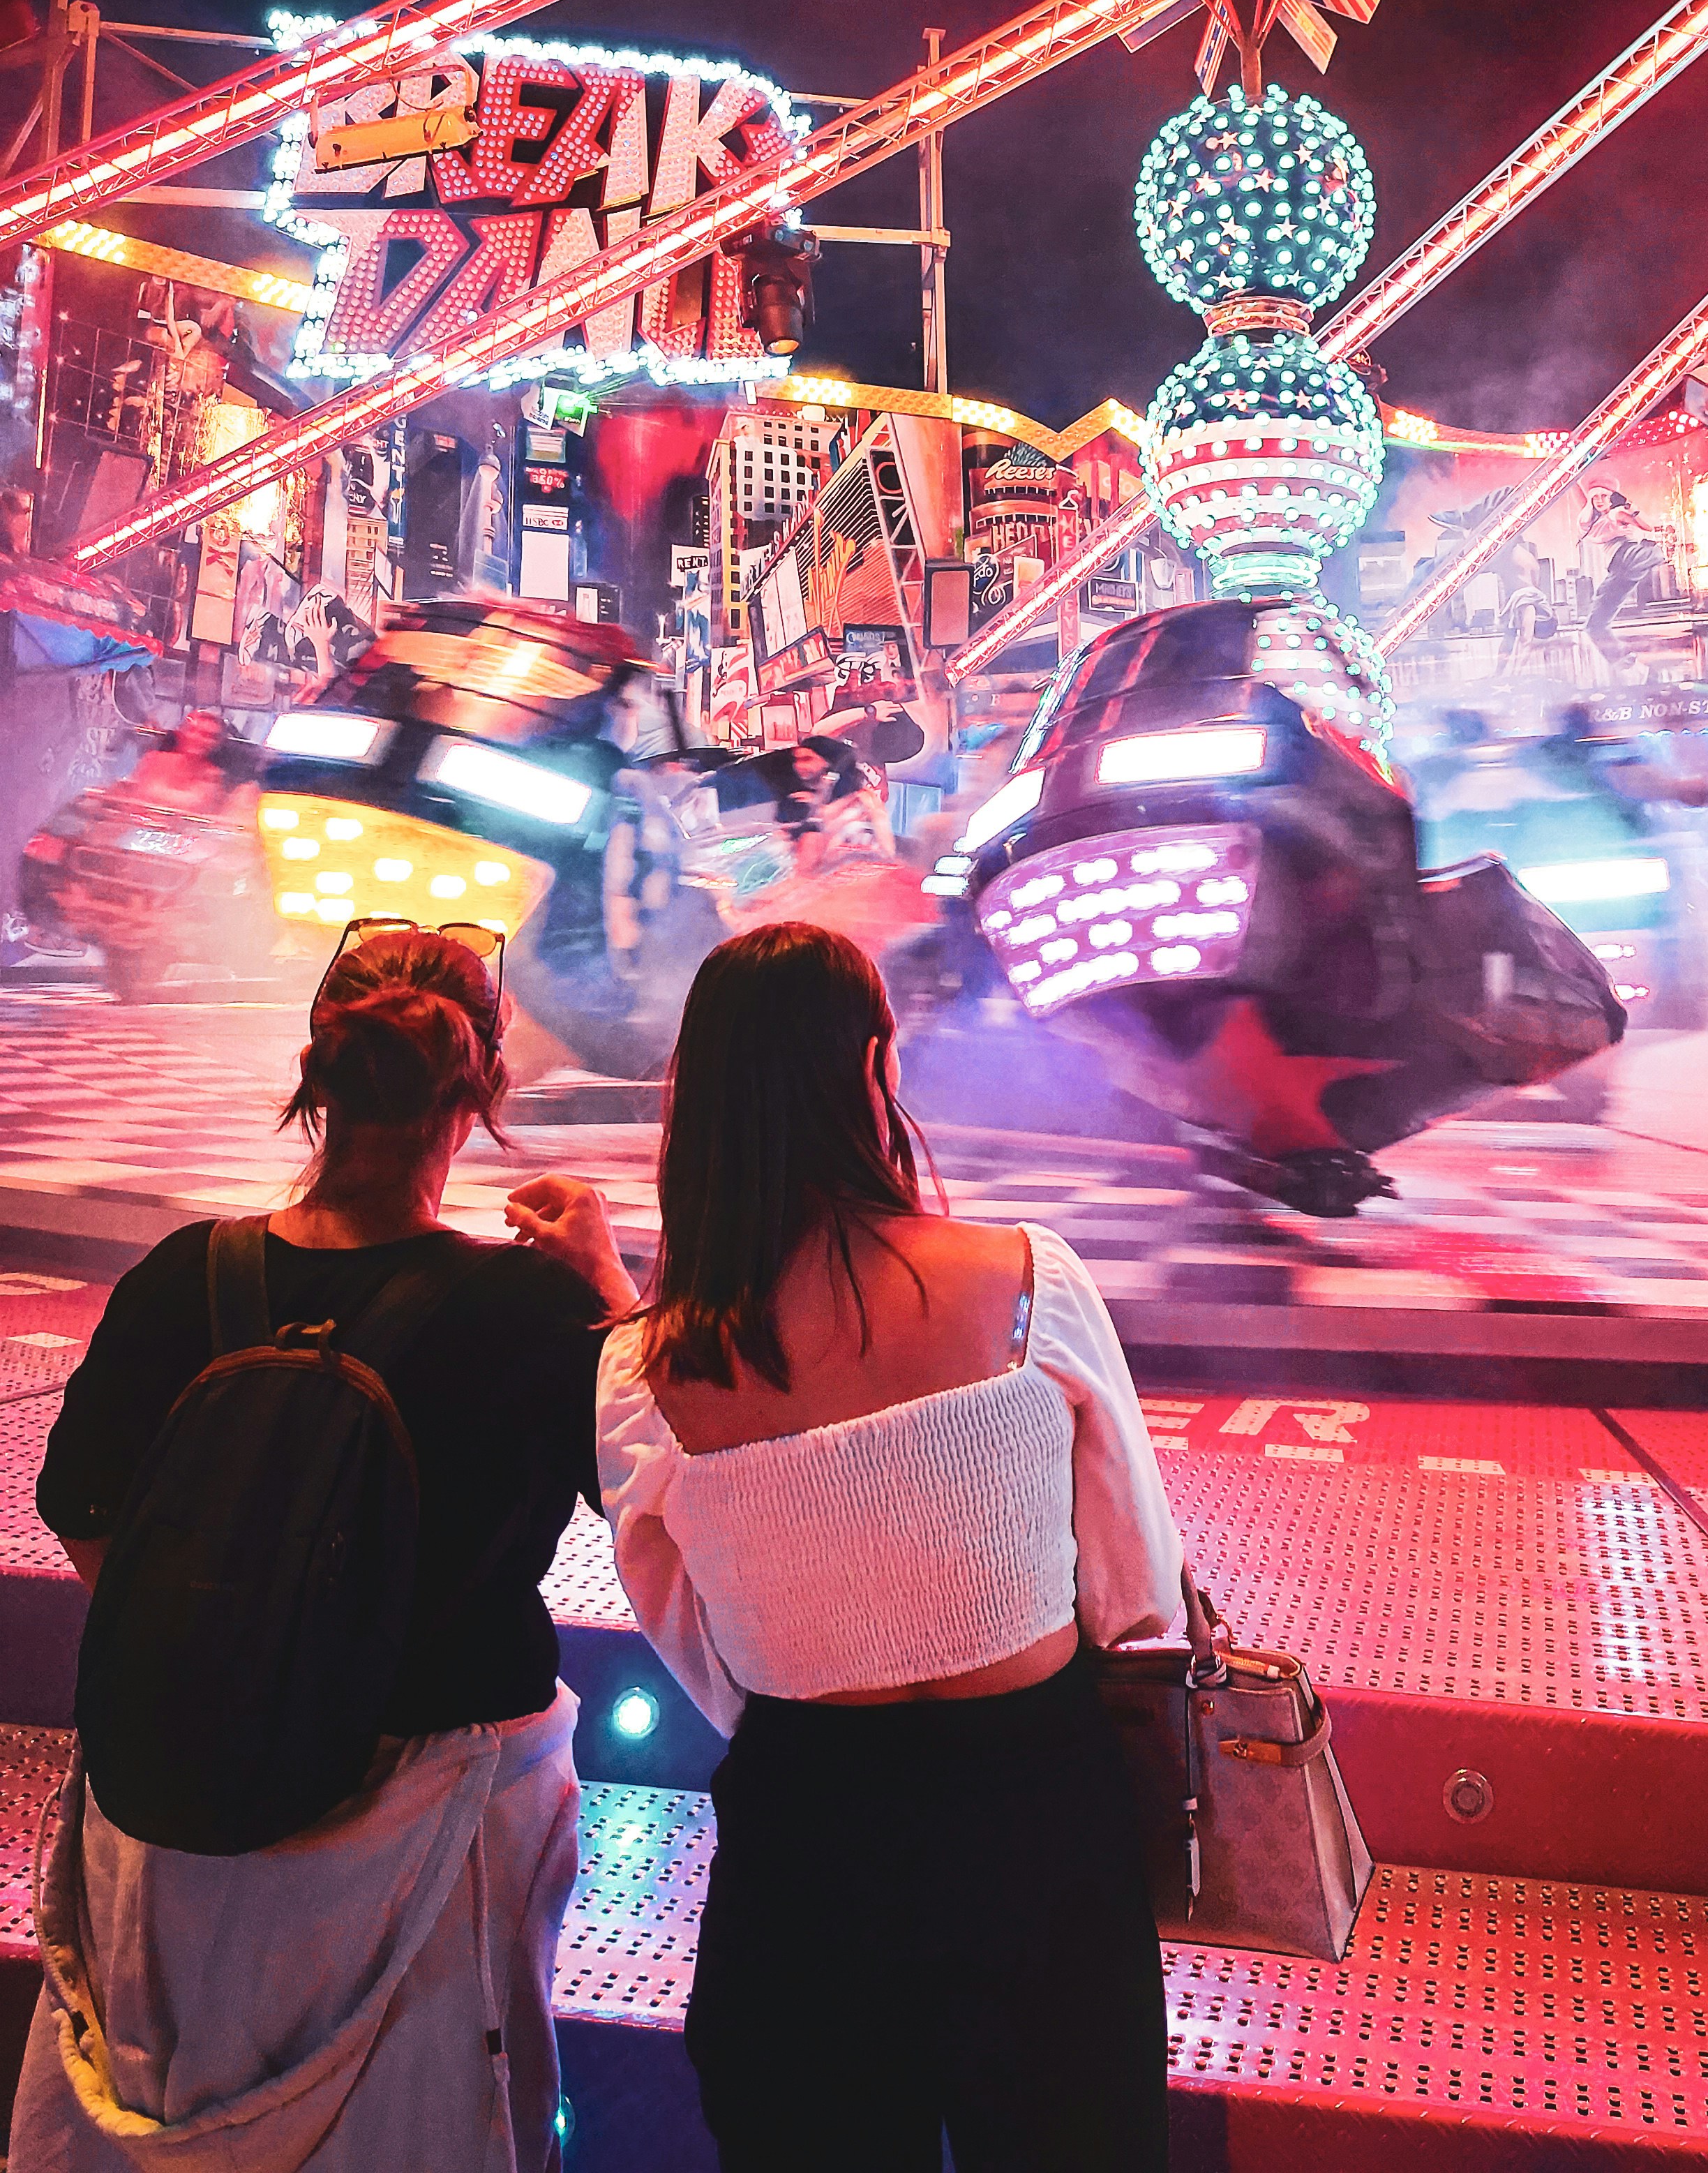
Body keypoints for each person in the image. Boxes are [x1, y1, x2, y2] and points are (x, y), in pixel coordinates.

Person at [511, 920, 1183, 2172]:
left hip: (804, 1847)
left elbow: (703, 1650)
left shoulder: (642, 1375)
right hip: (1040, 1833)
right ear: (875, 1068)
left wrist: (613, 1295)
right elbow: (1137, 1595)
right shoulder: (1030, 1284)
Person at [13, 923, 610, 2171]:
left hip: (179, 1815)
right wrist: (608, 1288)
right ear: (481, 1092)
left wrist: (234, 1651)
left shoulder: (184, 1276)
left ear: (317, 1073)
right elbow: (655, 1481)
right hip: (440, 1826)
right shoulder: (534, 1309)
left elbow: (79, 1507)